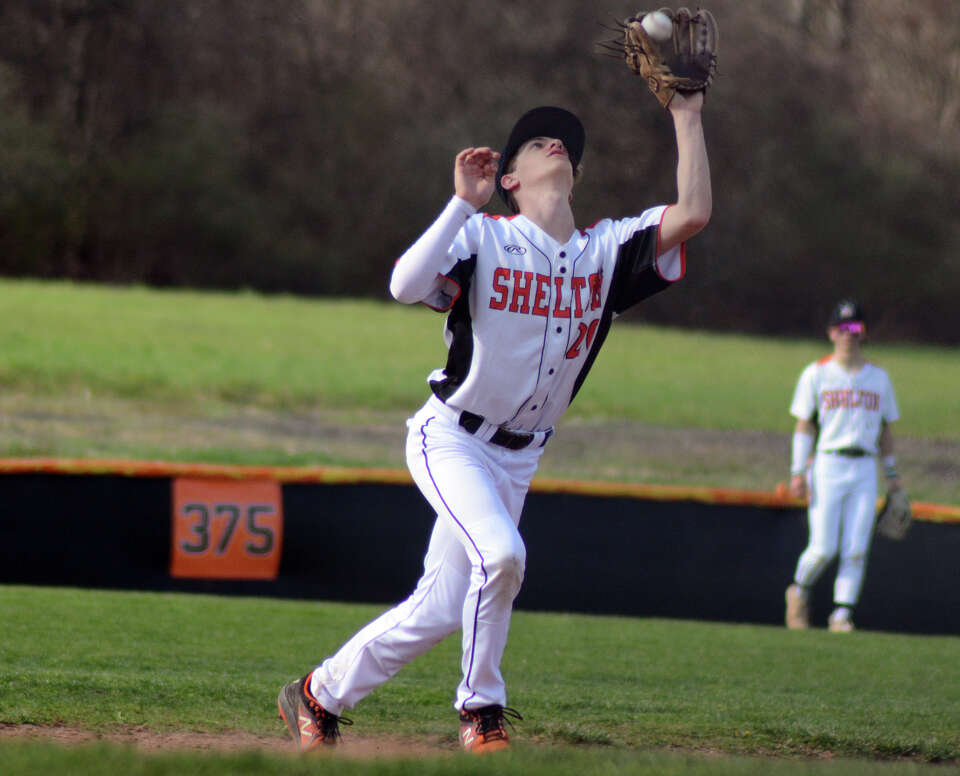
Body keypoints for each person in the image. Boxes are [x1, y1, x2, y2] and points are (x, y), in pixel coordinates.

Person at [277, 93, 711, 754]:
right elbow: (403, 286)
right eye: (536, 142)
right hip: (451, 436)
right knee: (503, 556)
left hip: (520, 455)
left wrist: (686, 114)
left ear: (575, 180)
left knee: (439, 608)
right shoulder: (485, 237)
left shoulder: (607, 252)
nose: (555, 145)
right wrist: (462, 204)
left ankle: (317, 694)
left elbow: (695, 213)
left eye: (563, 144)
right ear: (509, 178)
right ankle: (481, 711)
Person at [785, 300, 903, 633]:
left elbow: (885, 431)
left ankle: (841, 615)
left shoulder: (879, 378)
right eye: (841, 328)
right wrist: (797, 472)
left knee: (856, 548)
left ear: (863, 332)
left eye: (854, 327)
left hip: (864, 467)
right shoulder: (817, 373)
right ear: (831, 333)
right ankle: (798, 591)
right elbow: (804, 425)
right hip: (828, 464)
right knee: (823, 547)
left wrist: (893, 476)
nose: (848, 334)